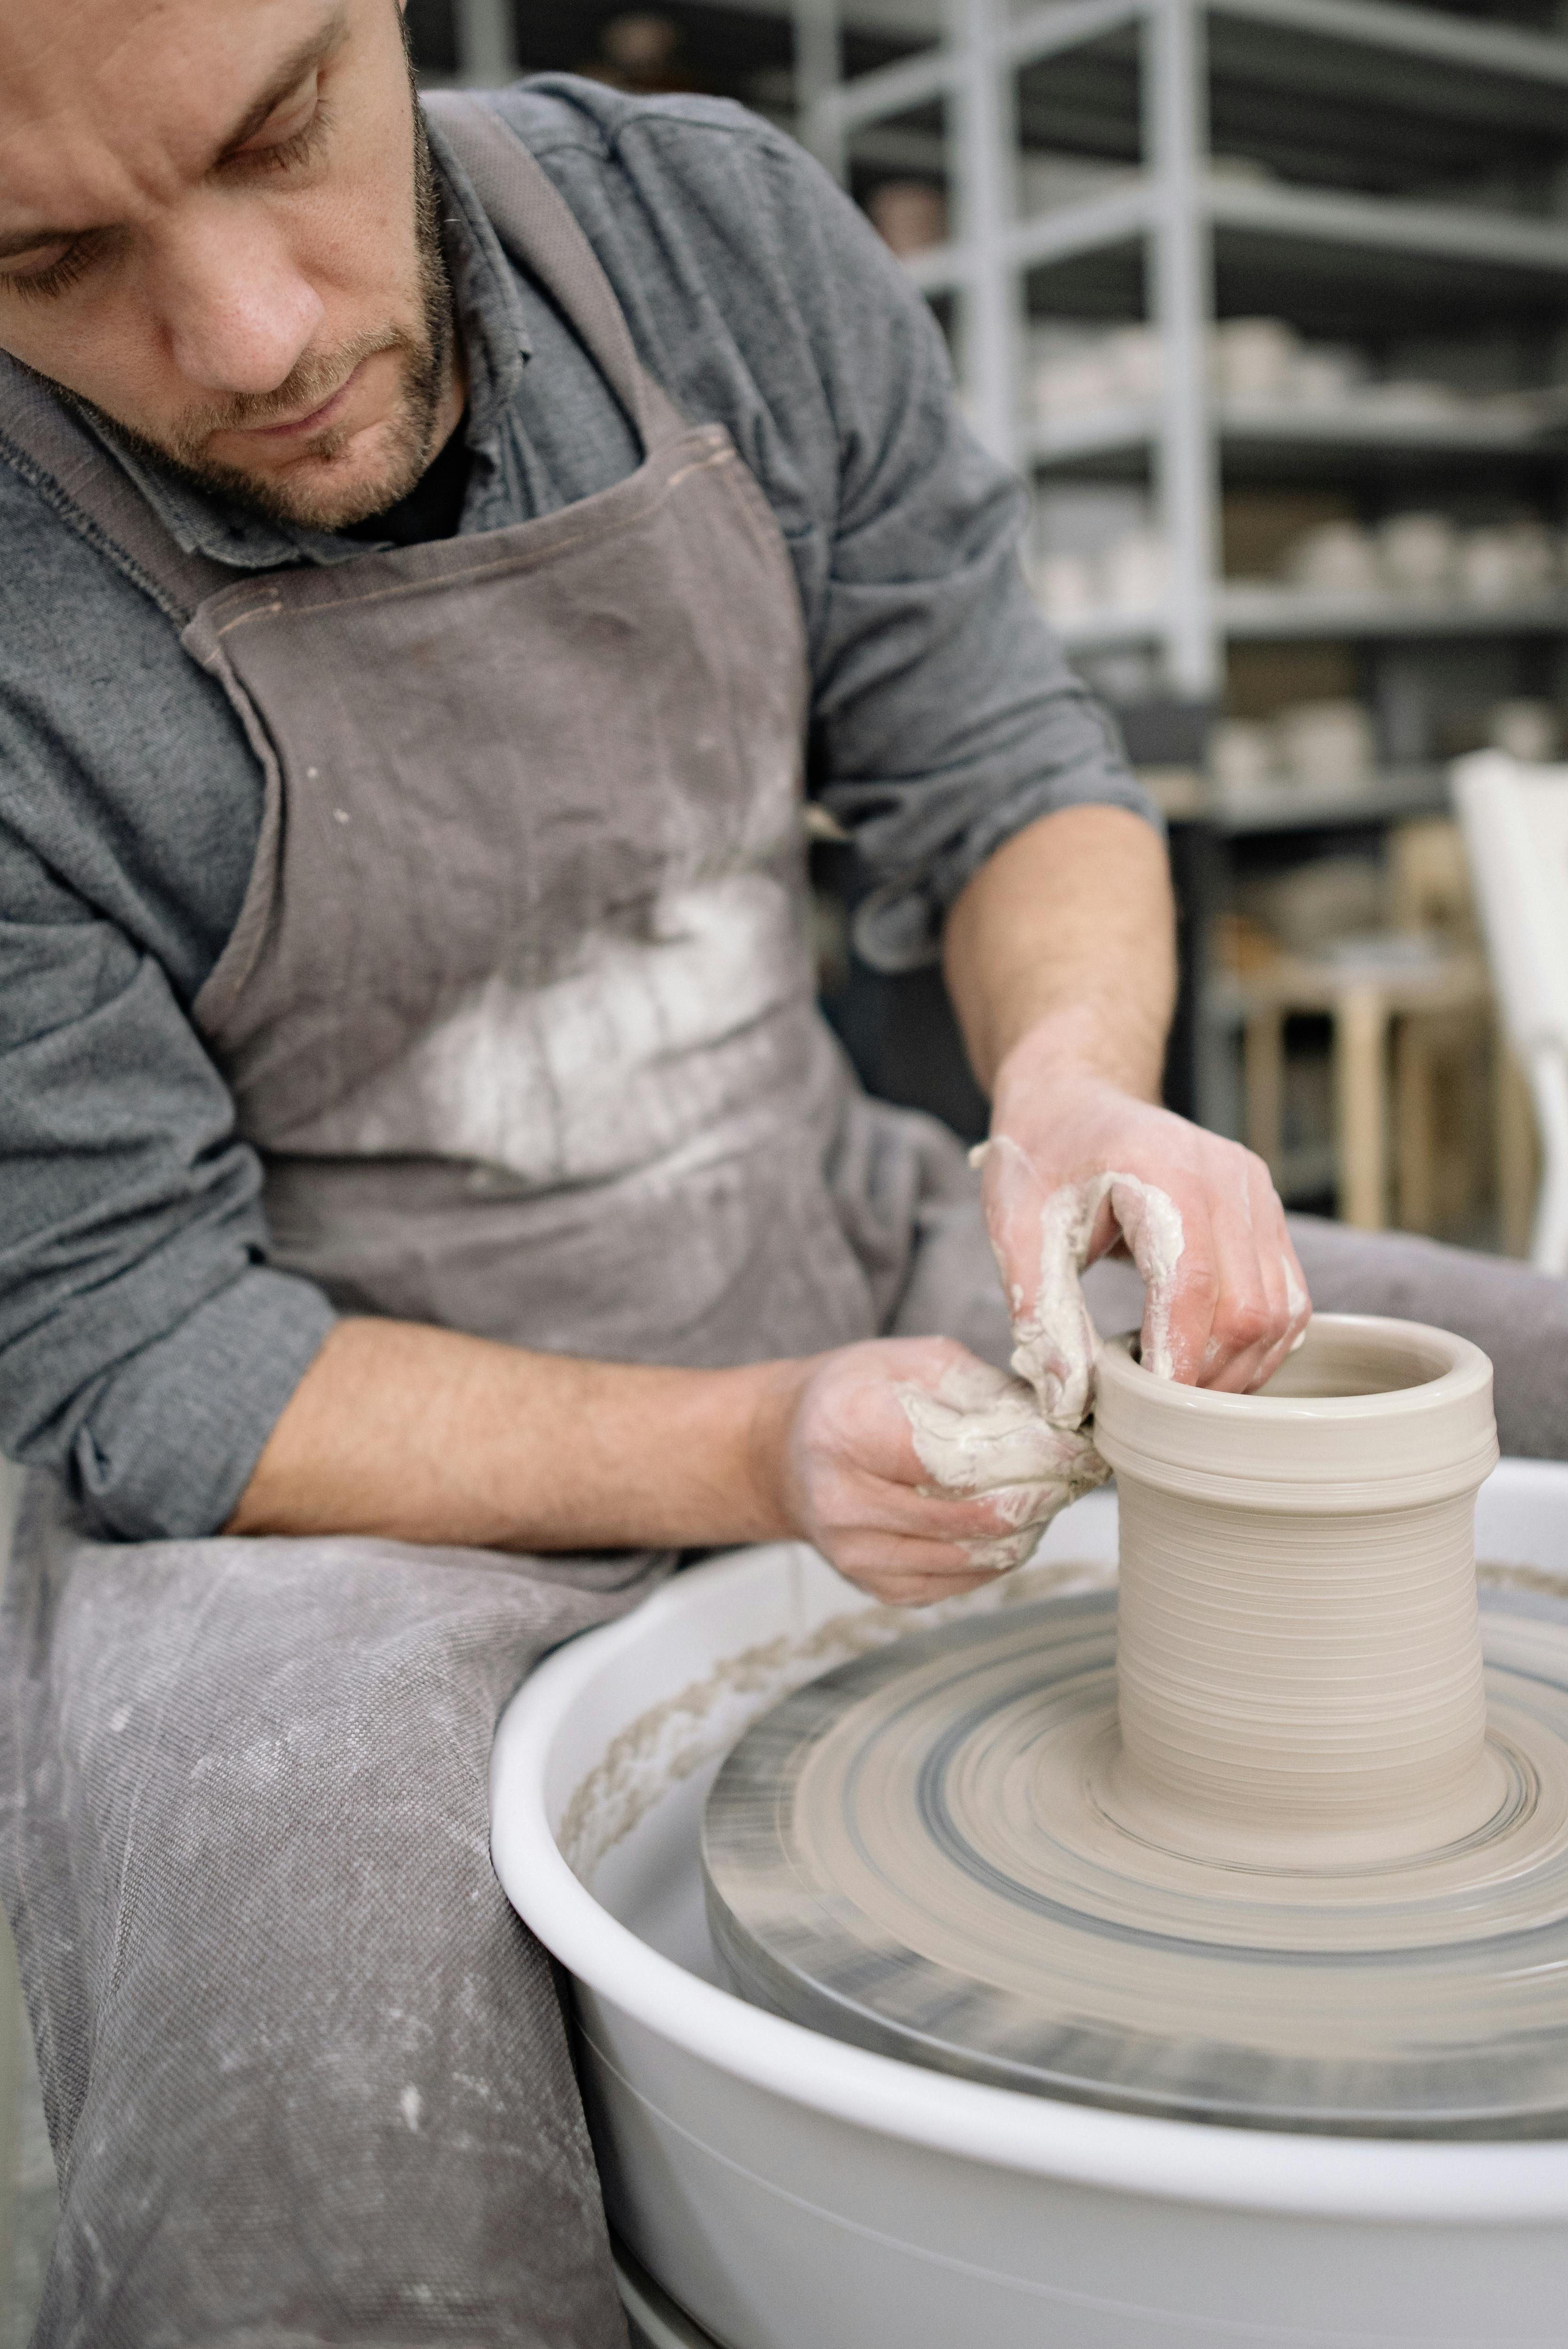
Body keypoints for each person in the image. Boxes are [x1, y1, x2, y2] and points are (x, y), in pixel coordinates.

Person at [0, 2, 1564, 2340]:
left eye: (280, 133)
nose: (248, 333)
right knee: (316, 2101)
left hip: (837, 1224)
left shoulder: (707, 234)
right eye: (46, 258)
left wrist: (1068, 1093)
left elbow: (1009, 758)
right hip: (331, 1457)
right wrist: (747, 1443)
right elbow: (144, 1351)